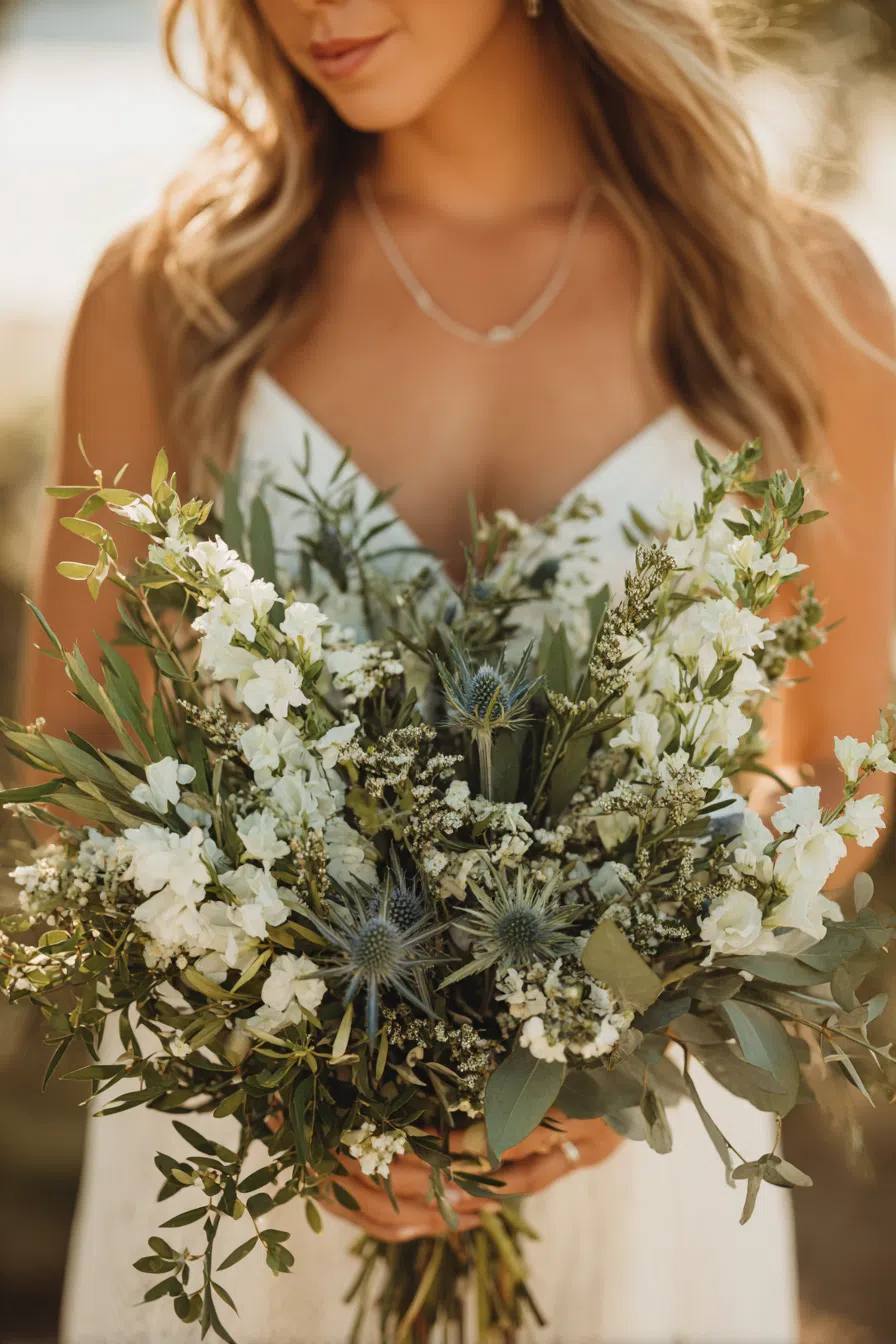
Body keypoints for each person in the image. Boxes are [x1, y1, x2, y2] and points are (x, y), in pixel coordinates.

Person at [25, 1, 894, 1341]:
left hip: (619, 1185)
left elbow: (839, 763)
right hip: (246, 1195)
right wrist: (281, 1068)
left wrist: (614, 1039)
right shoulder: (173, 296)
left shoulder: (790, 292)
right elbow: (70, 763)